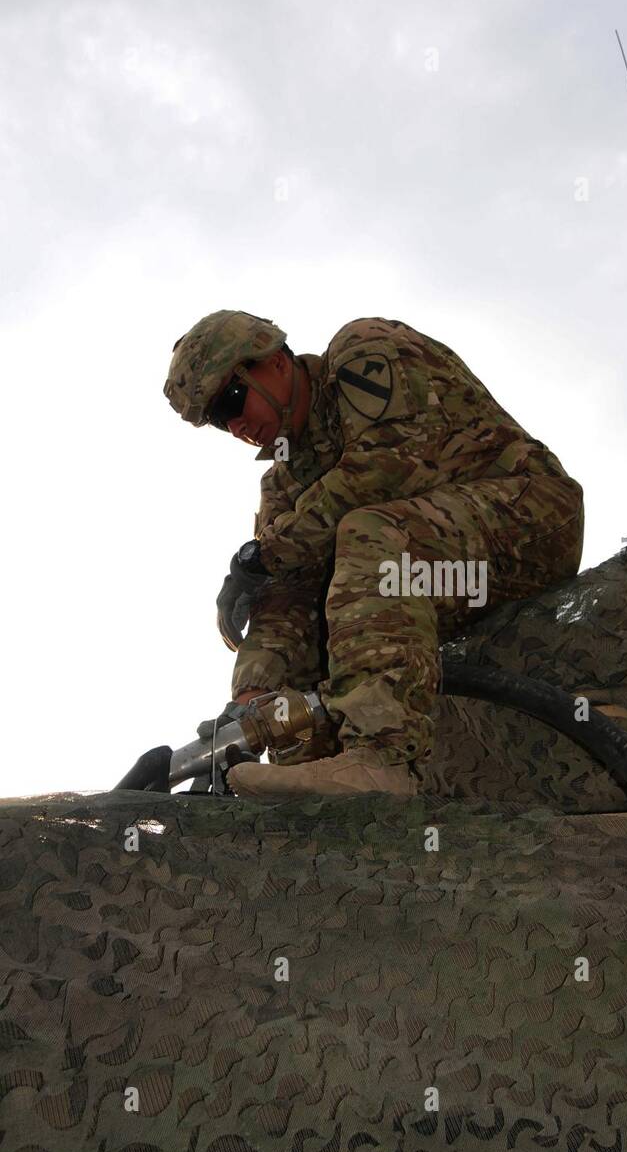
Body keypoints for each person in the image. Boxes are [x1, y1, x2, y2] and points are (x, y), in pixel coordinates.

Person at [164, 311, 584, 797]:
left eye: (233, 400)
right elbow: (285, 597)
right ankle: (310, 781)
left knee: (369, 533)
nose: (236, 425)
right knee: (309, 617)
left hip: (528, 524)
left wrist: (263, 556)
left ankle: (382, 756)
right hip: (435, 580)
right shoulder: (282, 483)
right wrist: (249, 703)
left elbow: (385, 467)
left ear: (273, 361)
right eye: (219, 421)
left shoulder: (363, 351)